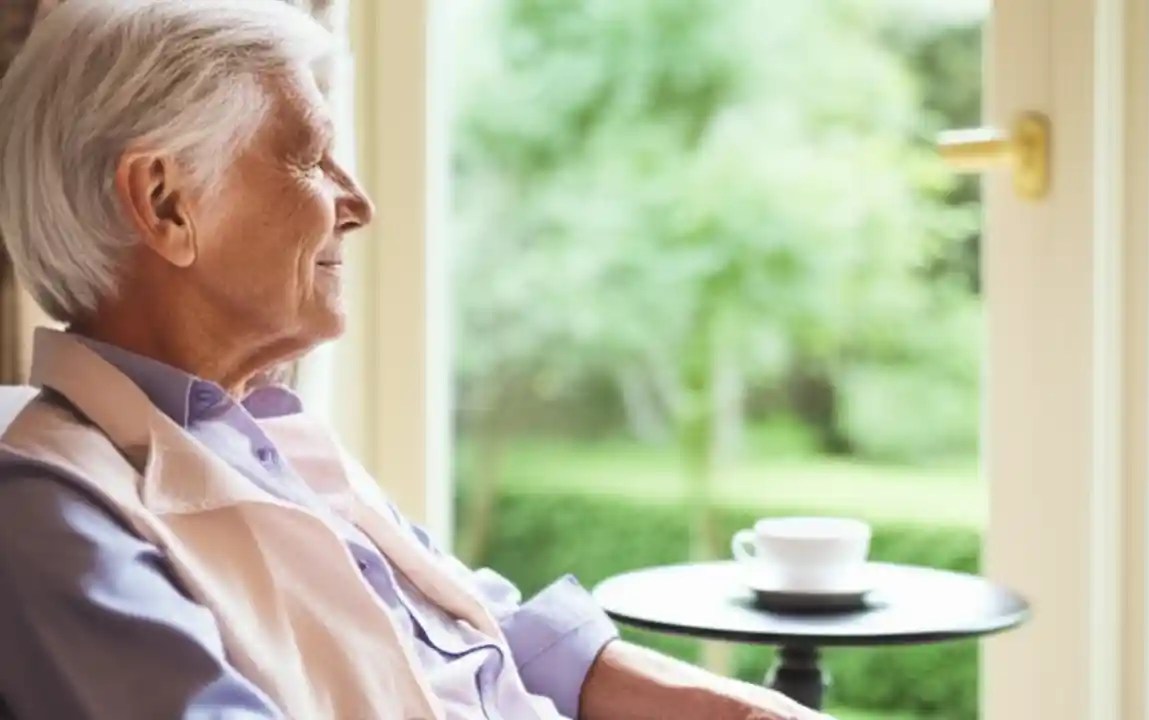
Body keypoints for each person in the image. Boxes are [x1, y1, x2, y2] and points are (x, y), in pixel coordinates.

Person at [0, 1, 833, 718]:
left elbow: (482, 634)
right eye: (310, 156)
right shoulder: (51, 518)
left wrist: (743, 710)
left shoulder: (260, 431)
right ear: (165, 203)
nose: (357, 203)